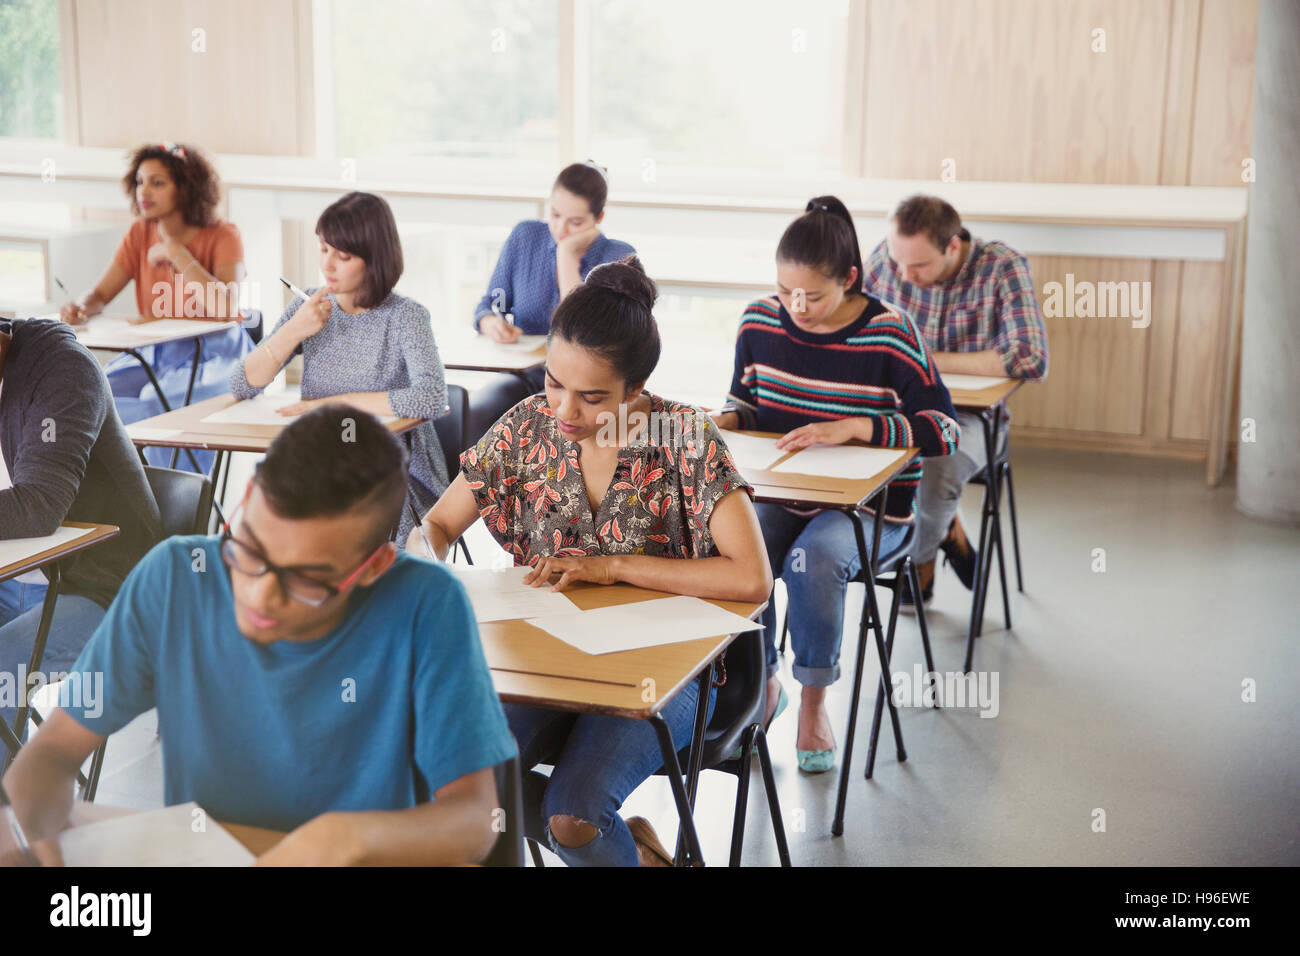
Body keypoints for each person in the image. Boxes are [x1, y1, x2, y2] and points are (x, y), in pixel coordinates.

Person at [1, 406, 516, 866]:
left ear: (374, 566)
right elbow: (51, 754)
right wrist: (25, 832)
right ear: (245, 500)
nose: (261, 595)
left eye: (306, 580)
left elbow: (475, 821)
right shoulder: (177, 579)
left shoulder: (427, 604)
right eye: (248, 549)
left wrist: (341, 838)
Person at [410, 257, 771, 867]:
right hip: (544, 658)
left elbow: (750, 577)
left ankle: (618, 848)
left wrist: (615, 566)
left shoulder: (685, 437)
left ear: (637, 389)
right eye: (553, 382)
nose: (565, 410)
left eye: (593, 396)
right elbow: (441, 523)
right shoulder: (529, 426)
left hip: (665, 674)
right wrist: (424, 568)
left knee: (572, 817)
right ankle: (632, 852)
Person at [712, 197, 959, 773]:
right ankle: (763, 686)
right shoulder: (758, 320)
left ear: (849, 279)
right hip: (780, 494)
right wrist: (724, 420)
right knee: (734, 550)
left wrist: (857, 428)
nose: (796, 307)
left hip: (873, 514)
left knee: (815, 556)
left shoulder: (890, 333)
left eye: (813, 295)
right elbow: (744, 404)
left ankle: (815, 701)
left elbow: (943, 428)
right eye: (785, 290)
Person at [231, 191, 449, 545]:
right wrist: (292, 331)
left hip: (391, 471)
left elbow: (430, 398)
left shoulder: (406, 316)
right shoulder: (310, 305)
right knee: (268, 521)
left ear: (374, 259)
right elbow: (243, 384)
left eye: (343, 256)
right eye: (323, 249)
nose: (327, 265)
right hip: (319, 462)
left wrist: (334, 405)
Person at [862, 194, 1049, 607]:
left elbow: (1030, 357)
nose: (905, 276)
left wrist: (924, 359)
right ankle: (943, 531)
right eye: (899, 263)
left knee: (935, 469)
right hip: (894, 412)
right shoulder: (887, 259)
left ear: (952, 246)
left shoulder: (1002, 266)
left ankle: (917, 566)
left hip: (973, 421)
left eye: (920, 265)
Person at [0, 318, 161, 735]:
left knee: (2, 662)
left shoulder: (64, 371)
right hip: (18, 576)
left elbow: (38, 506)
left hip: (105, 585)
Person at [58, 142, 252, 469]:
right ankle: (120, 495)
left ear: (187, 188)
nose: (143, 191)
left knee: (155, 404)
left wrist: (176, 251)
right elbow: (101, 294)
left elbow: (225, 307)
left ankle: (179, 503)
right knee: (90, 396)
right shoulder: (139, 232)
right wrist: (81, 305)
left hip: (215, 353)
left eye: (157, 183)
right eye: (139, 181)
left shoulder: (224, 235)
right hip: (154, 351)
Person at [468, 162, 637, 437]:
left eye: (576, 222)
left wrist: (567, 255)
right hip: (527, 376)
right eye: (555, 215)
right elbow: (490, 302)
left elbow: (583, 330)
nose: (560, 229)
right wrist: (490, 322)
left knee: (544, 426)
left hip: (585, 389)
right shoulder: (526, 236)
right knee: (477, 411)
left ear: (599, 217)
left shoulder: (619, 256)